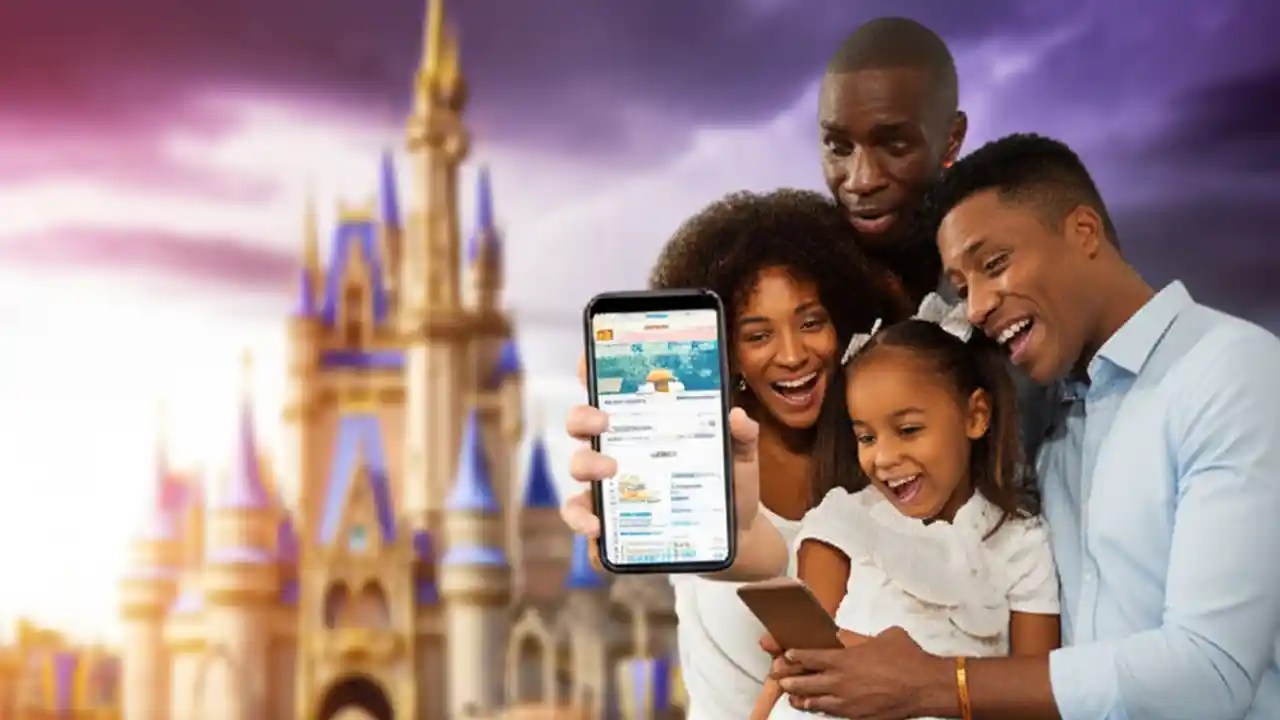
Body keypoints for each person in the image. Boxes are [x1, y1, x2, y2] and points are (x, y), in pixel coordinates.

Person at [767, 134, 1280, 718]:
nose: (979, 305)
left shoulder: (1229, 370)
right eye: (963, 289)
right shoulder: (1056, 426)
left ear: (1083, 232)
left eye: (994, 264)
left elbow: (1210, 672)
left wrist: (938, 684)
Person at [566, 188, 911, 720]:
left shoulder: (888, 458)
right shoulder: (694, 454)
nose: (793, 354)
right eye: (758, 335)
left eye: (811, 322)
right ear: (727, 352)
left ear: (843, 321)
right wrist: (610, 517)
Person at [754, 294, 1061, 719]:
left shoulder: (1020, 541)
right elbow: (798, 670)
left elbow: (1038, 694)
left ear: (975, 416)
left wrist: (920, 676)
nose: (883, 458)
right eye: (866, 437)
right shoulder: (843, 522)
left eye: (908, 429)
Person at [818, 17, 967, 305]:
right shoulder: (801, 285)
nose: (861, 180)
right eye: (839, 147)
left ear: (952, 139)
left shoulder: (1000, 294)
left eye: (895, 145)